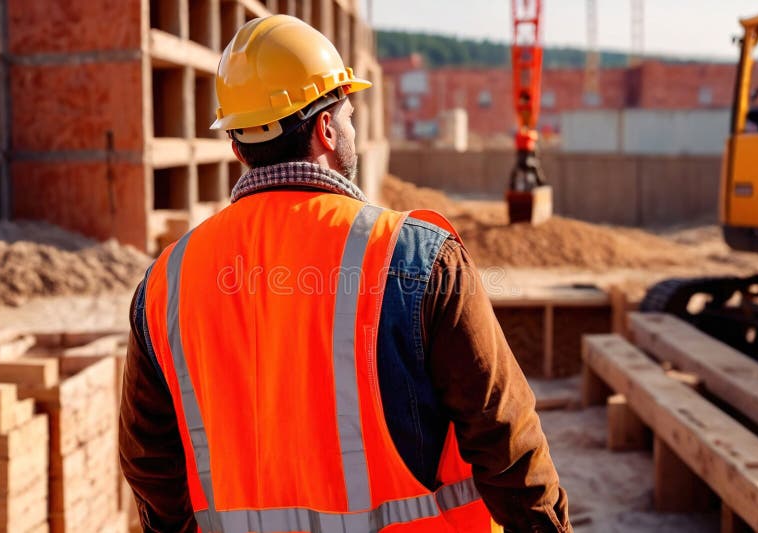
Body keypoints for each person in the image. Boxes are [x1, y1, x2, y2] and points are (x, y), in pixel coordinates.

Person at [119, 14, 572, 533]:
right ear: (327, 129)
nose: (352, 124)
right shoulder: (416, 258)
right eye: (349, 112)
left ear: (237, 143)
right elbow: (507, 441)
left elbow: (148, 465)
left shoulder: (166, 284)